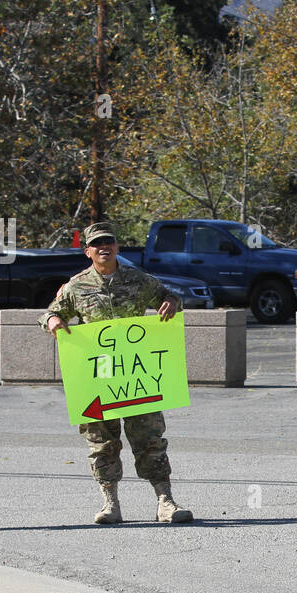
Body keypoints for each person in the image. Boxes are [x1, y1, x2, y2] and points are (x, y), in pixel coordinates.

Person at [41, 222, 193, 525]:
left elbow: (171, 295)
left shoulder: (138, 280)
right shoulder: (76, 286)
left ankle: (165, 501)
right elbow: (48, 313)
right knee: (101, 441)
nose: (104, 248)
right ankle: (110, 502)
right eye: (97, 244)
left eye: (108, 242)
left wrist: (171, 303)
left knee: (150, 437)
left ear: (117, 247)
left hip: (136, 376)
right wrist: (54, 322)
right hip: (98, 378)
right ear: (88, 251)